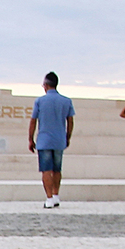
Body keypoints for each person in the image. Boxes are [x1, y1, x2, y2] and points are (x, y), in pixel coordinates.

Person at [29, 71, 74, 208]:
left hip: (44, 140)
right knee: (57, 170)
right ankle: (56, 195)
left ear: (46, 85)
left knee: (46, 170)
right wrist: (67, 136)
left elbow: (33, 121)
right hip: (59, 140)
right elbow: (70, 121)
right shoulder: (66, 101)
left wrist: (30, 139)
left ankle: (49, 198)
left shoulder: (39, 101)